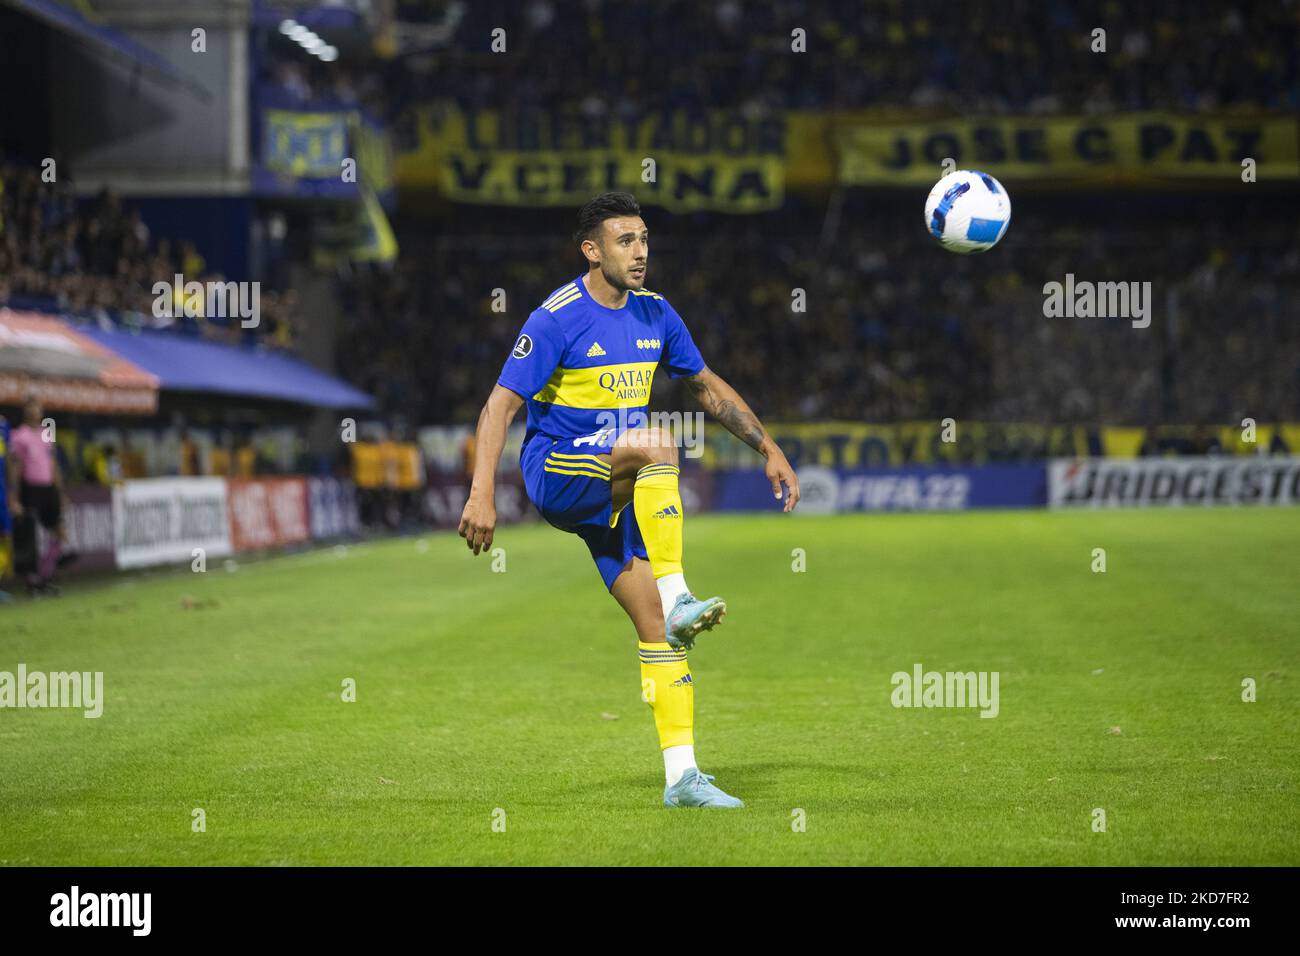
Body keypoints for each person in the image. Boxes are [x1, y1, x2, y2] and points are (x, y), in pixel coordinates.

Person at [458, 192, 800, 809]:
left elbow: (704, 385)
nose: (640, 252)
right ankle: (680, 595)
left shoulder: (656, 314)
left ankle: (683, 779)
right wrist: (482, 493)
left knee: (658, 636)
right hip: (558, 471)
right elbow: (499, 406)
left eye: (644, 239)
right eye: (625, 241)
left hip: (615, 486)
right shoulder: (556, 317)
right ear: (592, 251)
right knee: (656, 441)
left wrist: (768, 446)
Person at [7, 398, 77, 595]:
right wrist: (14, 495)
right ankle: (31, 582)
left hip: (48, 489)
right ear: (25, 411)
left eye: (37, 407)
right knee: (29, 535)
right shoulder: (19, 435)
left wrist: (61, 492)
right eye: (30, 407)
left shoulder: (47, 433)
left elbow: (53, 464)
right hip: (30, 488)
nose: (34, 411)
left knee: (59, 532)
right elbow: (15, 466)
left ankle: (44, 578)